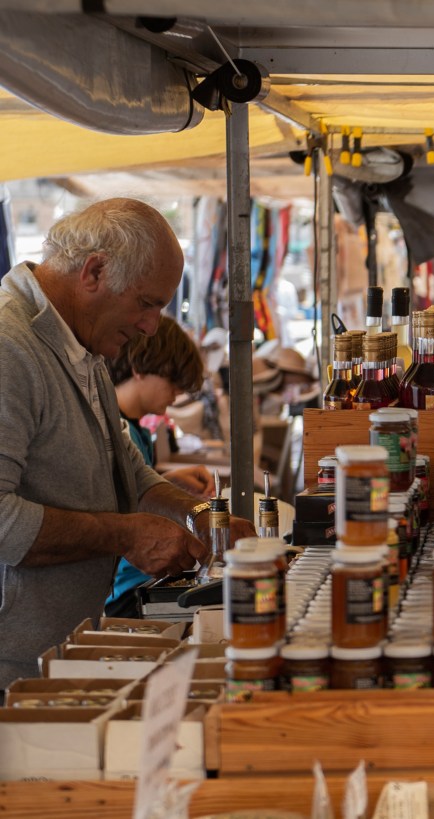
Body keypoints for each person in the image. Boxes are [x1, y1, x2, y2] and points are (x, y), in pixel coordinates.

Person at [0, 198, 255, 686]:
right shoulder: (11, 348)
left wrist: (197, 514)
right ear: (93, 272)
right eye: (146, 302)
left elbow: (127, 470)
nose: (151, 326)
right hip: (11, 666)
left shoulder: (79, 344)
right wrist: (124, 534)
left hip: (58, 648)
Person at [105, 315, 219, 616]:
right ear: (139, 368)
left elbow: (128, 488)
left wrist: (168, 479)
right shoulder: (116, 430)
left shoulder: (137, 430)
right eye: (172, 382)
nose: (177, 394)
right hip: (129, 590)